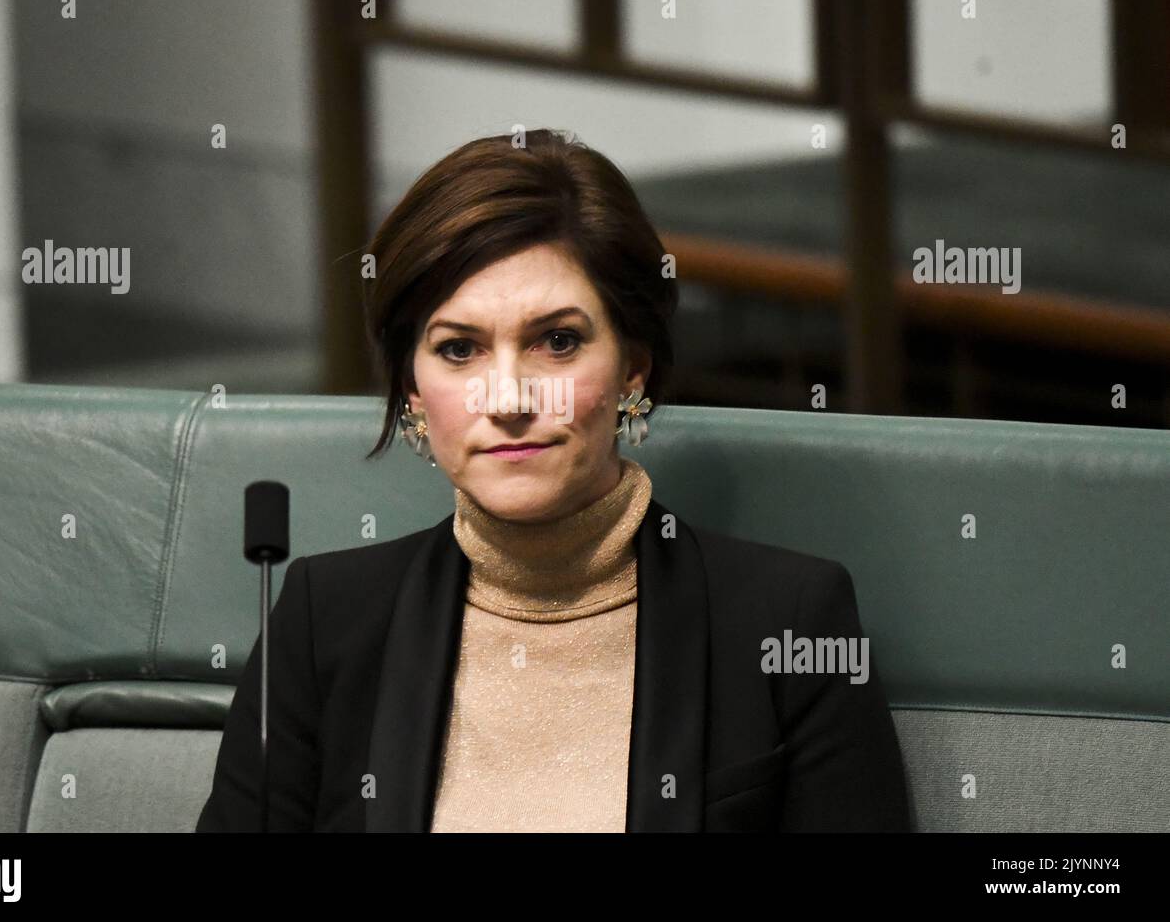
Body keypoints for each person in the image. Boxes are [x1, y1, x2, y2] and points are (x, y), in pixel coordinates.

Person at [196, 128, 910, 832]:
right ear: (413, 389)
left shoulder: (789, 621)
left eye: (558, 341)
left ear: (633, 366)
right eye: (458, 349)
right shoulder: (324, 623)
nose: (507, 399)